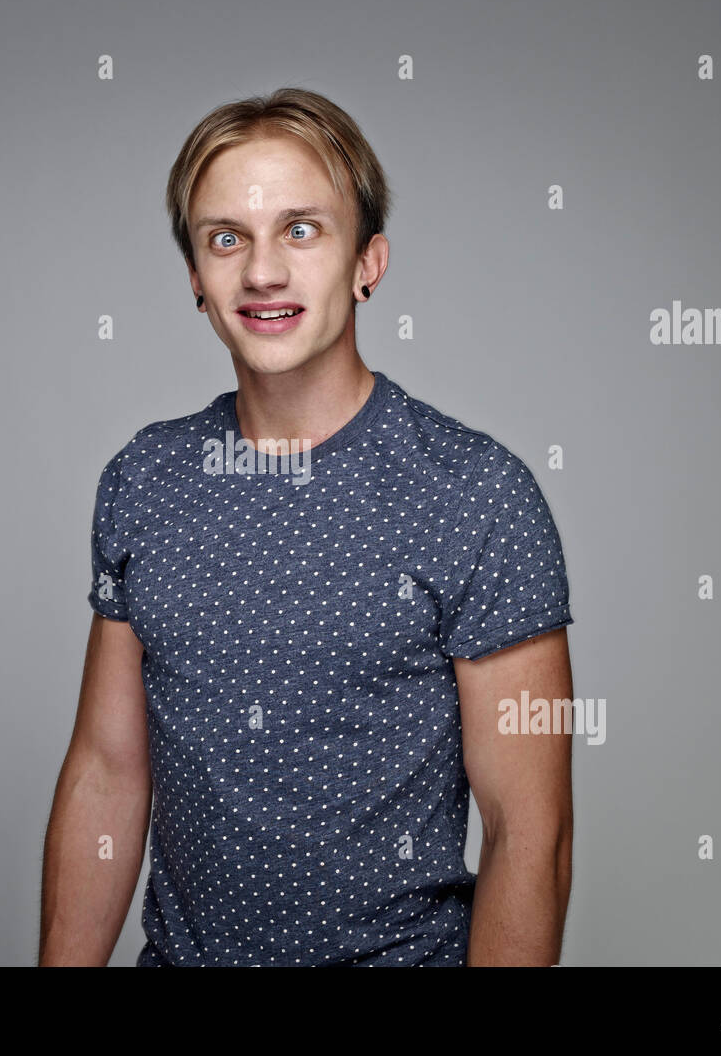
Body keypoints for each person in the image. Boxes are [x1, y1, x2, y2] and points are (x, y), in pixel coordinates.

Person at [39, 87, 576, 967]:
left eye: (301, 230)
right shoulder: (145, 480)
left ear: (369, 261)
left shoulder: (475, 495)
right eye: (226, 238)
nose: (262, 272)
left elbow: (531, 835)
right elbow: (108, 769)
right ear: (195, 280)